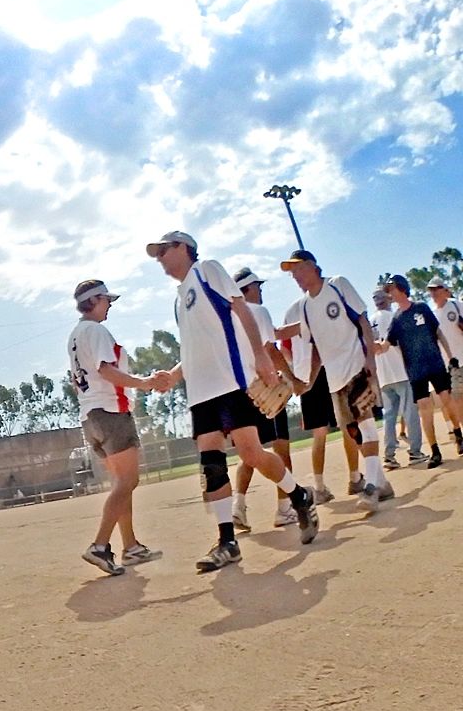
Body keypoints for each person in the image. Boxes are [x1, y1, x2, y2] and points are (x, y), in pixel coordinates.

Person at [148, 231, 318, 573]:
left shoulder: (207, 269)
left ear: (184, 248)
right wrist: (173, 376)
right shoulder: (180, 299)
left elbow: (241, 310)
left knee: (251, 454)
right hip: (200, 392)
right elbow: (193, 349)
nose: (160, 258)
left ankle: (300, 496)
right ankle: (227, 541)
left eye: (164, 250)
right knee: (212, 464)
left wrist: (261, 356)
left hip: (230, 382)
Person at [281, 249, 393, 512]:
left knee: (365, 426)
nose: (295, 276)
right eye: (292, 273)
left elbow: (362, 321)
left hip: (356, 366)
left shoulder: (338, 285)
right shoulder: (305, 307)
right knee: (354, 433)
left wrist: (369, 359)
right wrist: (308, 379)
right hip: (335, 380)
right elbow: (316, 348)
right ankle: (383, 484)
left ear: (312, 265)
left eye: (297, 269)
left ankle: (372, 488)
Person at [67, 279, 164, 575]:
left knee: (121, 484)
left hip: (91, 416)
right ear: (94, 301)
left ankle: (131, 546)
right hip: (110, 411)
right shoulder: (95, 330)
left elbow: (75, 380)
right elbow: (106, 370)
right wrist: (145, 383)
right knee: (128, 482)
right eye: (106, 300)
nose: (110, 305)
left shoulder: (75, 335)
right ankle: (99, 546)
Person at [228, 268, 301, 531]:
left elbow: (277, 333)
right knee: (281, 448)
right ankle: (284, 508)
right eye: (257, 286)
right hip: (266, 387)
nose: (261, 290)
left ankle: (238, 507)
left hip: (240, 393)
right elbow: (272, 349)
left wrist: (305, 324)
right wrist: (293, 378)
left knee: (249, 453)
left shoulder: (228, 316)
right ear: (248, 289)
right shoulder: (259, 311)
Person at [380, 274, 463, 469]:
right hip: (415, 370)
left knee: (446, 399)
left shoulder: (421, 308)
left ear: (401, 288)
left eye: (391, 288)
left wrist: (450, 356)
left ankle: (458, 434)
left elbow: (438, 333)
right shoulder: (397, 318)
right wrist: (375, 346)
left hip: (434, 363)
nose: (390, 293)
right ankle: (435, 450)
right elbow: (387, 344)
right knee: (425, 408)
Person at [370, 288, 424, 469]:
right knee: (410, 413)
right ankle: (415, 452)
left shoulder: (371, 321)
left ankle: (389, 456)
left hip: (383, 375)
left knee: (389, 417)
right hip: (400, 370)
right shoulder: (393, 316)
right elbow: (401, 342)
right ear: (387, 299)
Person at [425, 277, 463, 428]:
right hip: (447, 365)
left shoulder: (457, 305)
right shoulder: (431, 314)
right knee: (457, 399)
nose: (433, 292)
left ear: (445, 290)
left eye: (436, 288)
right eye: (431, 290)